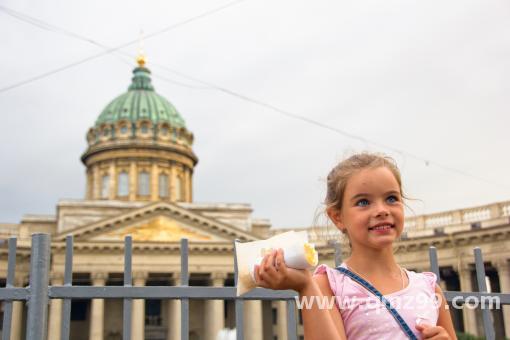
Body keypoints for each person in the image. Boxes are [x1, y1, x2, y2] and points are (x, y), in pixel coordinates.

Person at [254, 153, 457, 340]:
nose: (381, 210)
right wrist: (306, 286)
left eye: (391, 198)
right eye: (363, 202)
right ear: (337, 217)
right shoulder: (328, 286)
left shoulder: (429, 288)